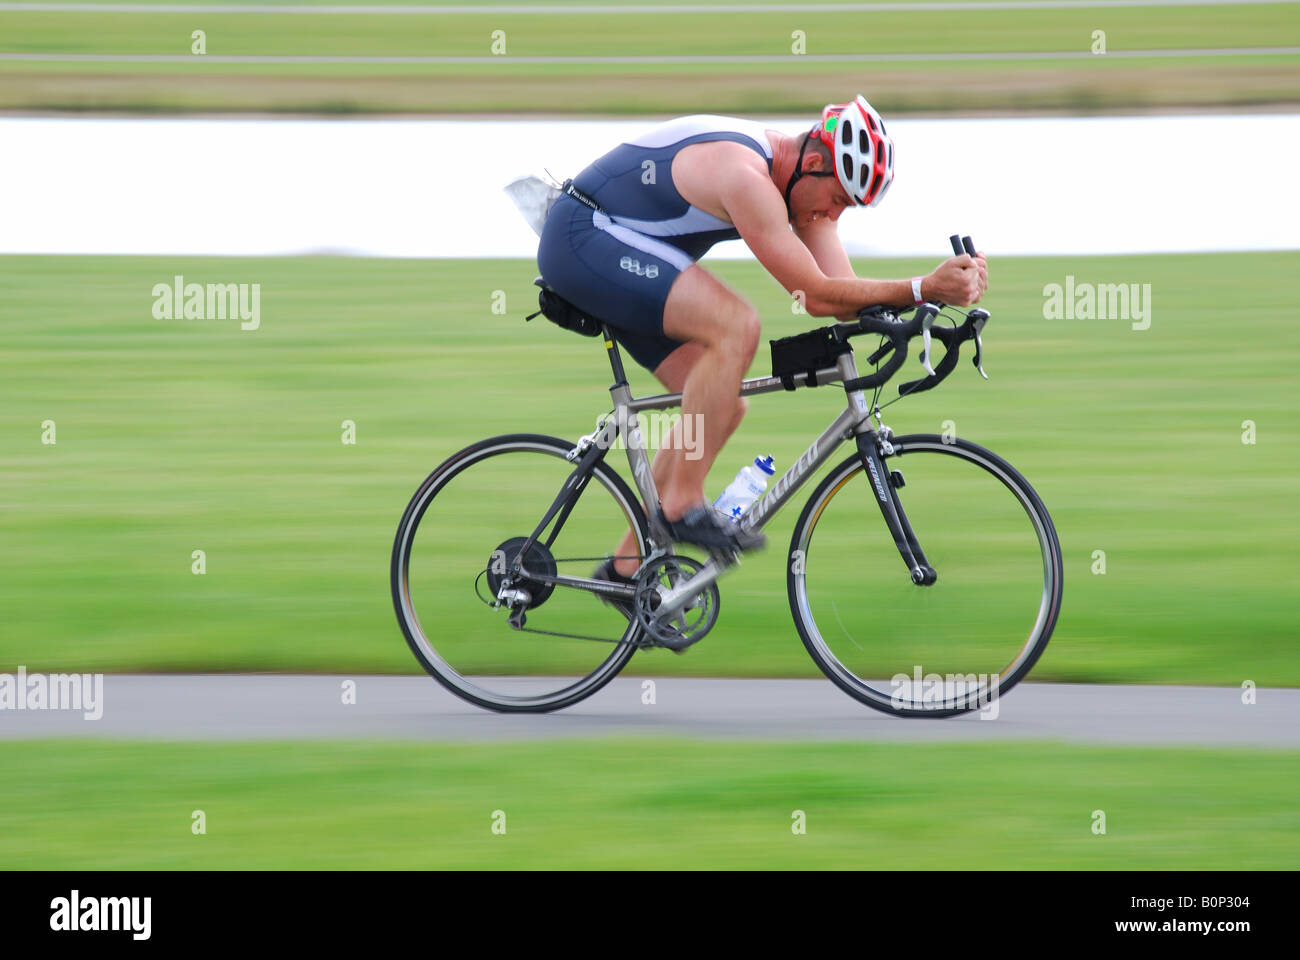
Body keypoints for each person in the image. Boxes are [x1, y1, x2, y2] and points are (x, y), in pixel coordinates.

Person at [535, 96, 988, 602]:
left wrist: (928, 306)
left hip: (626, 251)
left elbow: (841, 296)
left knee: (721, 404)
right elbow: (814, 295)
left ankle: (624, 571)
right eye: (838, 199)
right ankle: (682, 504)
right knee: (736, 326)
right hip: (583, 238)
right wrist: (923, 287)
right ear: (814, 162)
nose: (832, 214)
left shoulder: (805, 185)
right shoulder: (747, 178)